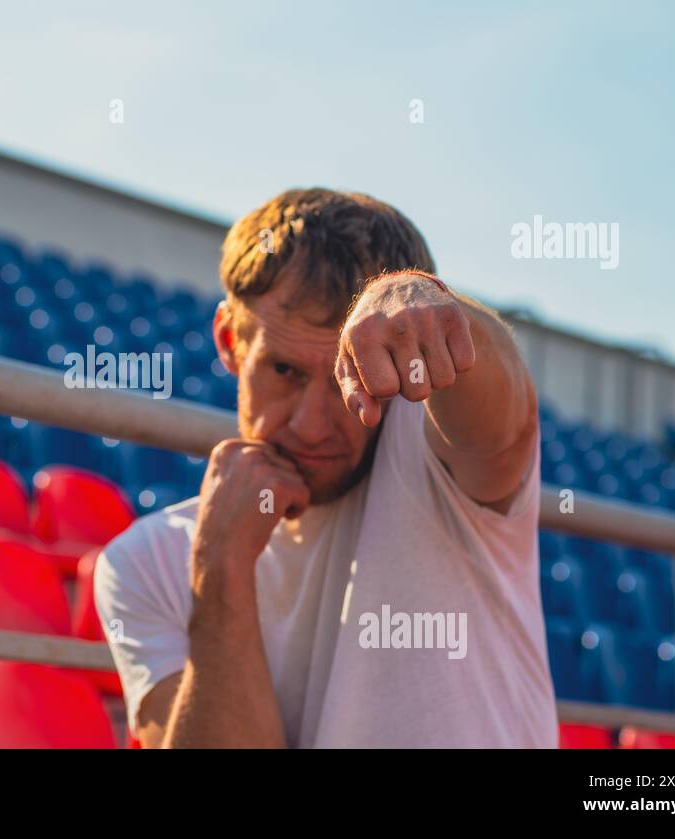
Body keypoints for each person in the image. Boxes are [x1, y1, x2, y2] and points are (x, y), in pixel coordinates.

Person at [93, 188, 555, 747]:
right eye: (284, 370)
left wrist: (425, 303)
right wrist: (220, 571)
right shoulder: (144, 562)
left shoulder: (431, 450)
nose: (312, 424)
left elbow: (503, 419)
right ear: (228, 341)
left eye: (347, 377)